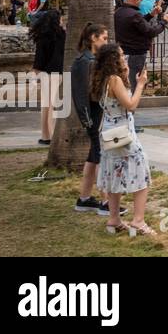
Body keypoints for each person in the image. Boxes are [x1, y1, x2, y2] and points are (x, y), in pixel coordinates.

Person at [91, 43, 154, 237]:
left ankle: (114, 220)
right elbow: (130, 105)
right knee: (141, 173)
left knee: (114, 175)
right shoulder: (114, 80)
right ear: (113, 59)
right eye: (120, 55)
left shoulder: (102, 79)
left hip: (109, 134)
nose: (124, 57)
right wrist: (141, 84)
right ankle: (138, 221)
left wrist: (127, 76)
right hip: (124, 133)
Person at [72, 23, 118, 215]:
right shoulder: (87, 61)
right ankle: (106, 202)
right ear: (93, 38)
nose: (106, 41)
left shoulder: (88, 60)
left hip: (93, 114)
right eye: (104, 38)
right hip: (94, 116)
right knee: (101, 157)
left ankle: (84, 198)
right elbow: (86, 93)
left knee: (93, 157)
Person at [28, 5, 65, 145]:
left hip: (47, 74)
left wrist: (35, 73)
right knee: (52, 106)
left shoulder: (43, 37)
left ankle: (47, 135)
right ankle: (50, 133)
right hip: (60, 73)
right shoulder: (63, 35)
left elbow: (39, 59)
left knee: (46, 106)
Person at [114, 0, 165, 83]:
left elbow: (136, 24)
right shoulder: (134, 14)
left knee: (127, 82)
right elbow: (151, 32)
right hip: (135, 55)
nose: (142, 0)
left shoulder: (119, 12)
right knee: (134, 83)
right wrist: (164, 21)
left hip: (124, 52)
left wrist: (150, 15)